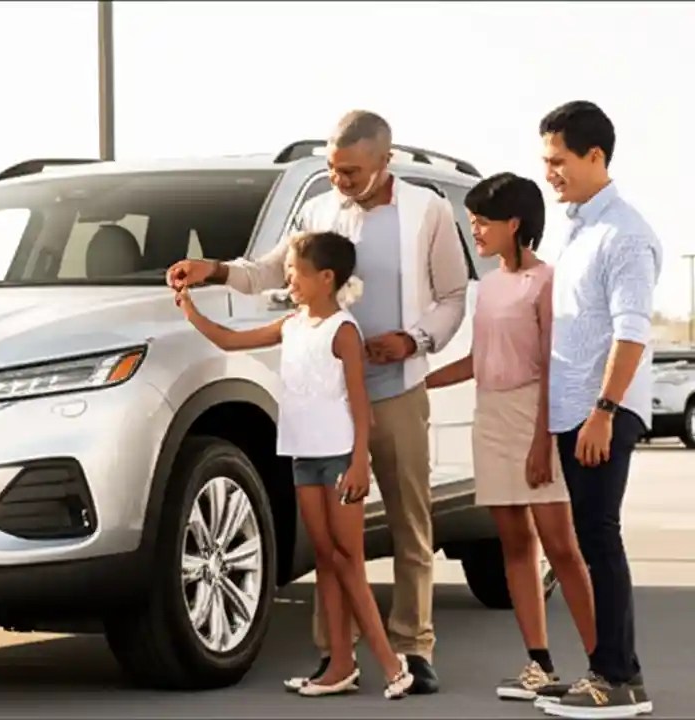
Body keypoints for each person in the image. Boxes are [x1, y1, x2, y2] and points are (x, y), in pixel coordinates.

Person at [166, 110, 469, 694]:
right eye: (332, 168)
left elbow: (454, 297)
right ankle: (336, 652)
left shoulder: (428, 211)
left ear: (386, 160)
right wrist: (214, 272)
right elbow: (269, 273)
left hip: (398, 389)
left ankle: (413, 646)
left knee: (410, 526)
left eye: (351, 170)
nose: (340, 179)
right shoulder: (317, 211)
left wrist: (414, 340)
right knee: (330, 542)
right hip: (326, 411)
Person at [176, 230, 415, 700]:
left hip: (340, 458)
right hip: (302, 456)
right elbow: (229, 341)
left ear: (326, 278)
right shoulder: (292, 324)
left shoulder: (343, 330)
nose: (288, 277)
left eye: (295, 271)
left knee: (348, 562)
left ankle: (391, 665)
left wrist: (360, 462)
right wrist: (189, 310)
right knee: (326, 560)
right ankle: (339, 666)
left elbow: (359, 401)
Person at [423, 171, 597, 702]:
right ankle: (539, 665)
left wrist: (544, 441)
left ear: (514, 223)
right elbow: (479, 360)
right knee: (515, 545)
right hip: (491, 418)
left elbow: (552, 366)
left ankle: (605, 664)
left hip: (535, 416)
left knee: (561, 547)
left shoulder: (547, 281)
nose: (473, 229)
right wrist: (421, 381)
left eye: (481, 221)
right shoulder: (490, 285)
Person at [527, 101, 660, 719]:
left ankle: (617, 678)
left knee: (600, 537)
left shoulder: (624, 234)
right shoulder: (579, 227)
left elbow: (631, 330)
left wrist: (604, 410)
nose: (549, 172)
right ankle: (605, 669)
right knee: (590, 537)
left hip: (600, 410)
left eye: (558, 161)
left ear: (594, 156)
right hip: (574, 409)